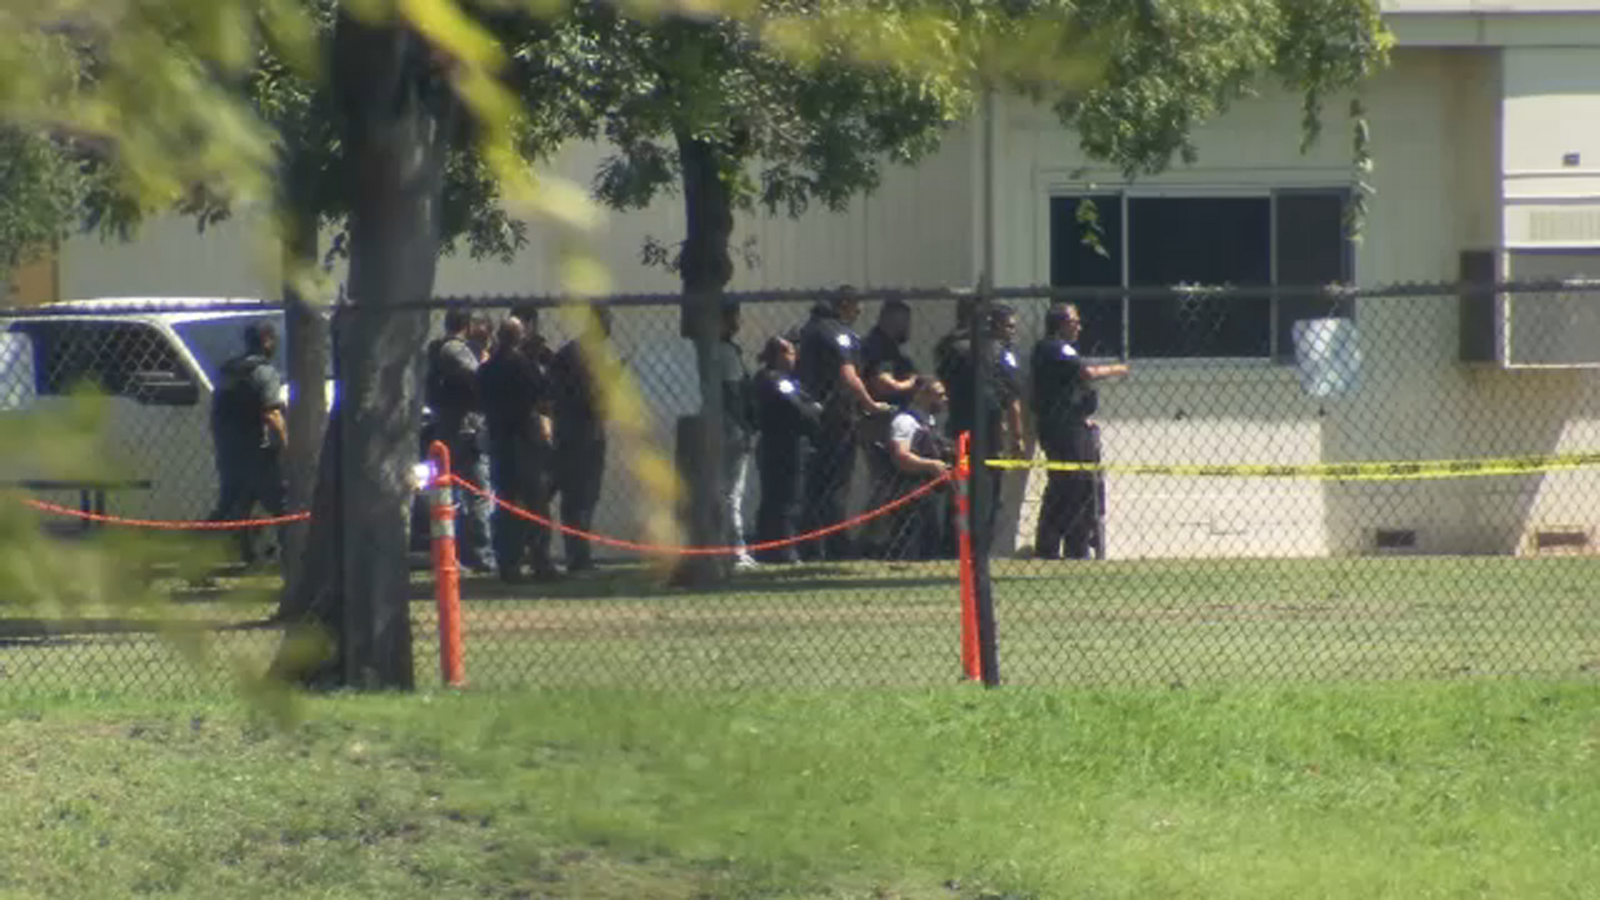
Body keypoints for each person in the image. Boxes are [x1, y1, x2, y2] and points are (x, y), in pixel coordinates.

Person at [795, 287, 893, 561]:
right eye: (856, 305)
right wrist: (871, 405)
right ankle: (836, 546)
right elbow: (848, 375)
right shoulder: (835, 332)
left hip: (814, 418)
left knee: (815, 485)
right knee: (836, 486)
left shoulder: (811, 329)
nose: (859, 311)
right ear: (845, 304)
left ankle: (811, 546)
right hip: (835, 419)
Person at [1032, 303, 1129, 560]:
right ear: (1061, 323)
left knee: (1082, 484)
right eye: (1074, 321)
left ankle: (1077, 547)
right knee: (1067, 483)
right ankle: (1048, 546)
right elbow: (1085, 373)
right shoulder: (1052, 347)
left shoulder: (1065, 349)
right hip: (1061, 428)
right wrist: (1116, 369)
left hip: (1073, 423)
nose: (1079, 327)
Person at [479, 317, 559, 583]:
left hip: (500, 440)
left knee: (505, 503)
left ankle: (508, 563)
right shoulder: (524, 366)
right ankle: (540, 561)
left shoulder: (487, 368)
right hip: (525, 439)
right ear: (520, 337)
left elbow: (479, 398)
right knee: (536, 503)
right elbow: (544, 394)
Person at [936, 303, 1024, 539]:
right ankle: (979, 544)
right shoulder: (999, 353)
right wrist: (1017, 437)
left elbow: (942, 385)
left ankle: (953, 543)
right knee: (987, 487)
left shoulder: (949, 347)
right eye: (1008, 326)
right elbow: (1012, 398)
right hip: (989, 430)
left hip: (958, 425)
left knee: (960, 485)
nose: (1012, 332)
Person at [208, 320, 288, 568]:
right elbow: (272, 413)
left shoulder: (228, 370)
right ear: (267, 341)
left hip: (228, 449)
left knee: (231, 507)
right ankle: (294, 559)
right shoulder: (265, 372)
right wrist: (288, 445)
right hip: (256, 450)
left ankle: (198, 556)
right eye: (273, 339)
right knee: (283, 505)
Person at [425, 308, 496, 572]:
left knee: (451, 495)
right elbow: (480, 378)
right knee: (478, 493)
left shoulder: (437, 349)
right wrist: (486, 357)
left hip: (449, 428)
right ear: (466, 325)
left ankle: (454, 552)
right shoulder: (455, 349)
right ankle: (481, 555)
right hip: (465, 429)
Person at [549, 304, 613, 574]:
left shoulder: (589, 353)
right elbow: (575, 395)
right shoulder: (577, 354)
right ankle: (577, 556)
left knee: (587, 497)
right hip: (578, 433)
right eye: (607, 322)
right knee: (578, 496)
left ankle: (580, 554)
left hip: (590, 431)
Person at [866, 376, 953, 560]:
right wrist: (931, 465)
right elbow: (901, 456)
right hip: (907, 493)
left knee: (929, 545)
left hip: (926, 491)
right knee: (908, 545)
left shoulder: (928, 421)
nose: (945, 400)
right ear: (922, 395)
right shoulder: (905, 421)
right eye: (939, 395)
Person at [752, 336, 821, 564]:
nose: (795, 357)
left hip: (789, 444)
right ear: (779, 355)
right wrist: (813, 410)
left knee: (785, 498)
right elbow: (798, 409)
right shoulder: (774, 379)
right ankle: (782, 550)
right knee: (785, 499)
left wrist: (811, 408)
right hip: (781, 445)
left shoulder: (787, 380)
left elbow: (806, 404)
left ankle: (772, 548)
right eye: (791, 352)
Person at [717, 301, 759, 569]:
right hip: (730, 428)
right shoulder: (726, 352)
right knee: (732, 493)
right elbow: (733, 393)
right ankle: (736, 551)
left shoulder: (705, 350)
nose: (737, 323)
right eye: (734, 317)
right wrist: (745, 427)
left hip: (712, 427)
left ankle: (721, 548)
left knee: (720, 492)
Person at [860, 299, 918, 408]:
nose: (908, 326)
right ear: (889, 320)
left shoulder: (894, 347)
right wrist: (915, 382)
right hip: (880, 414)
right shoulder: (877, 346)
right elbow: (883, 385)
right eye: (905, 320)